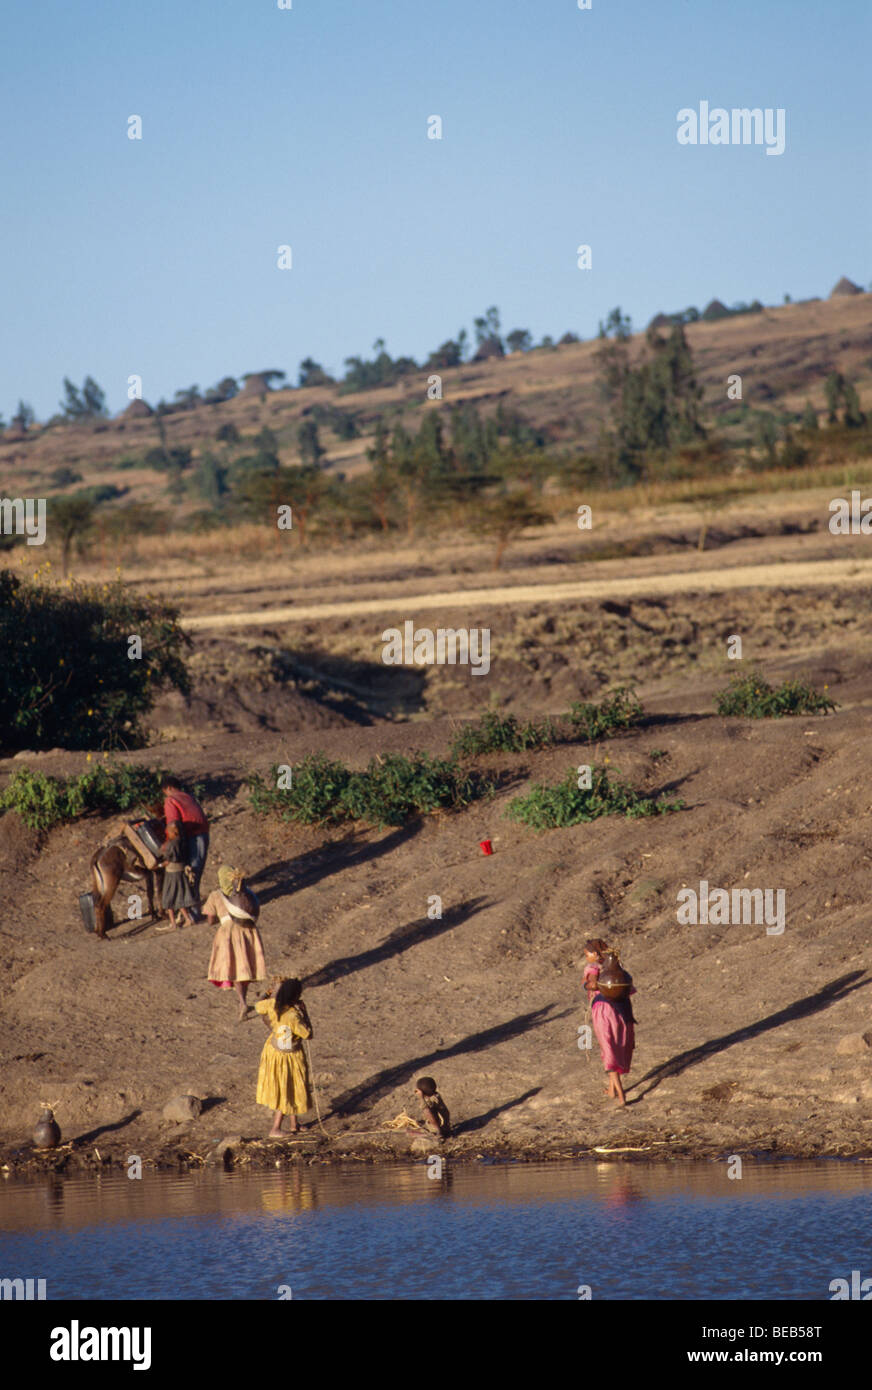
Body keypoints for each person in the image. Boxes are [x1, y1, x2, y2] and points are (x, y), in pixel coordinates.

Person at [202, 865, 266, 1020]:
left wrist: (222, 916)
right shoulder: (244, 892)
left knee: (236, 969)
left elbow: (210, 921)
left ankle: (242, 1003)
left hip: (228, 933)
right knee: (245, 966)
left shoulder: (215, 895)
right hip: (247, 930)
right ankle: (243, 1000)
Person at [254, 978, 313, 1137]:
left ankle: (294, 1124)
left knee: (289, 1086)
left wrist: (269, 993)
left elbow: (258, 1005)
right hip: (290, 1056)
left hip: (273, 1051)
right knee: (288, 1088)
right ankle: (275, 1128)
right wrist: (305, 1013)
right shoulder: (293, 1015)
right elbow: (308, 1034)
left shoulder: (272, 1004)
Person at [584, 940, 636, 1106]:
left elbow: (592, 984)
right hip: (622, 1011)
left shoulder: (593, 969)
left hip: (603, 1011)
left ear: (596, 954)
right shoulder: (616, 968)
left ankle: (620, 1096)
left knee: (607, 1048)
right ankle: (612, 1089)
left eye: (588, 954)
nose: (586, 957)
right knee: (615, 1044)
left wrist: (587, 985)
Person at [160, 778, 209, 918]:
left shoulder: (171, 800)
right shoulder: (188, 797)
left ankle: (192, 914)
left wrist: (167, 844)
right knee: (196, 873)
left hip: (193, 837)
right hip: (203, 835)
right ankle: (192, 911)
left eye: (164, 792)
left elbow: (173, 824)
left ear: (168, 788)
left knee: (190, 874)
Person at [155, 822, 195, 931]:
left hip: (172, 873)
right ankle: (188, 919)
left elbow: (168, 860)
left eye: (169, 831)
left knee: (168, 898)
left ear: (175, 832)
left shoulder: (172, 845)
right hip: (180, 872)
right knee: (178, 897)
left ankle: (173, 924)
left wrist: (158, 865)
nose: (167, 833)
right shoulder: (183, 841)